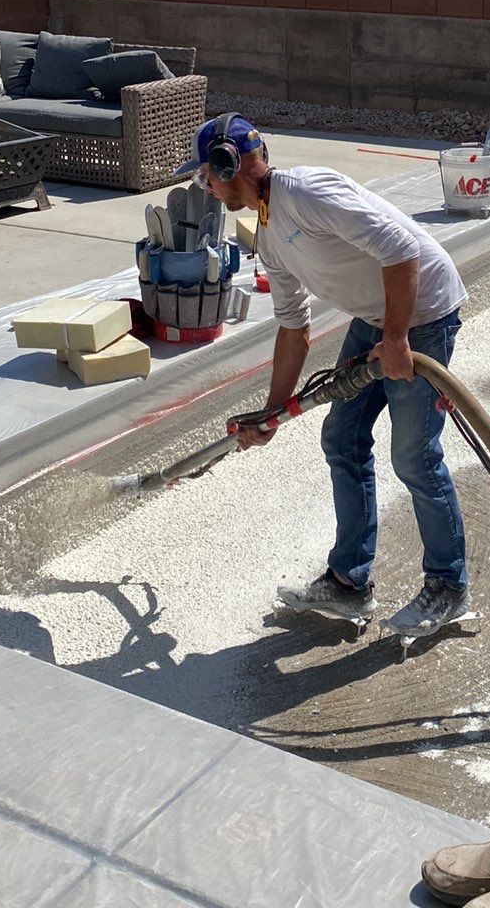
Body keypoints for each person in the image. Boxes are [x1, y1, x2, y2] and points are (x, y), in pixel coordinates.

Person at [175, 113, 471, 633]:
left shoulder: (306, 193)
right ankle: (348, 583)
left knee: (414, 455)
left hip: (422, 314)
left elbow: (401, 250)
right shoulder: (268, 234)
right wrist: (271, 414)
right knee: (342, 438)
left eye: (207, 176)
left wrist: (398, 338)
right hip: (377, 316)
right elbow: (294, 330)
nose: (208, 190)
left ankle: (448, 586)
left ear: (227, 164)